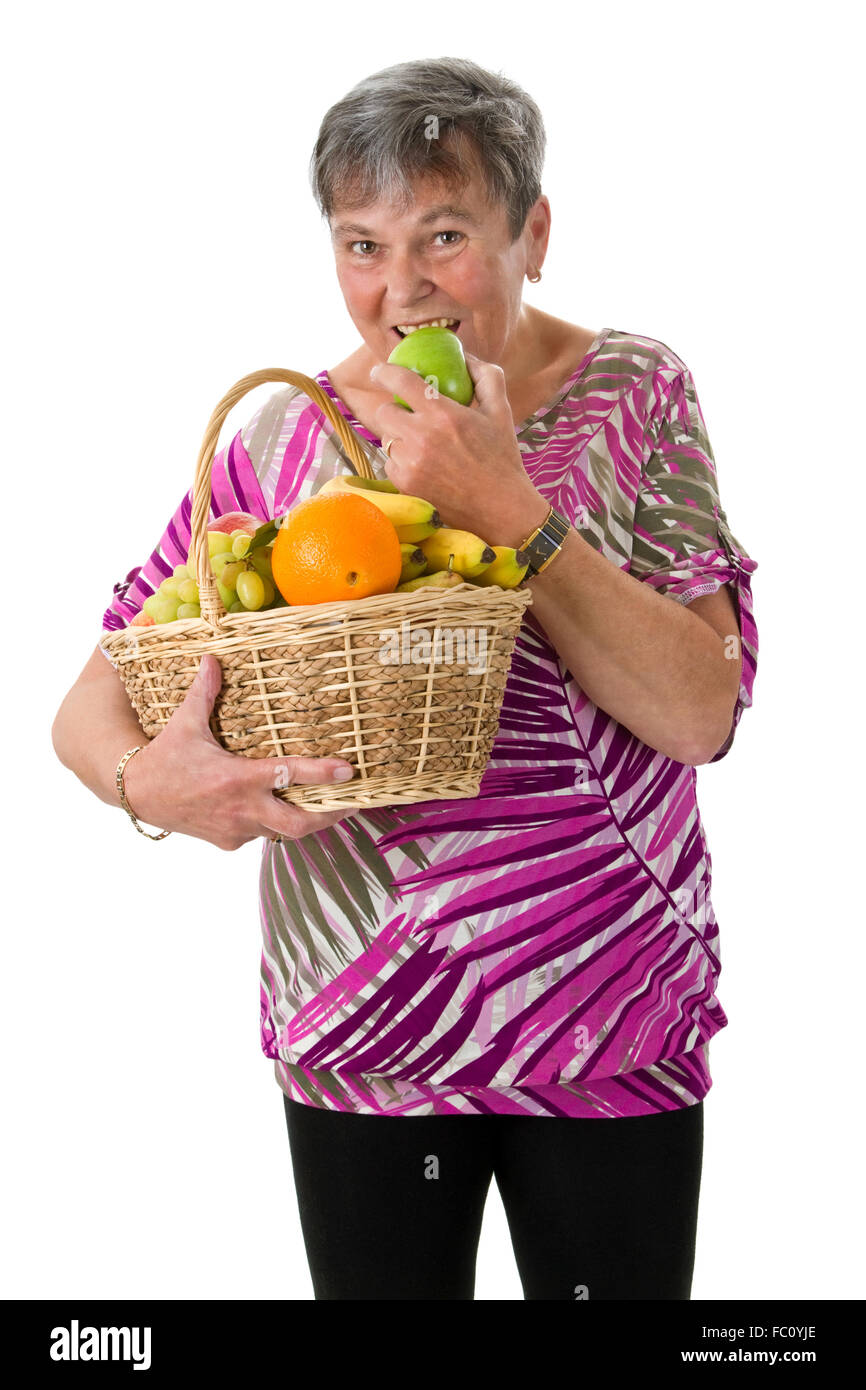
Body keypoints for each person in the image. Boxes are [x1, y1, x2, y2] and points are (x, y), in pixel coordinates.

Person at [52, 56, 759, 1301]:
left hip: (610, 1013)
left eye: (444, 234)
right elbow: (92, 701)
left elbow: (700, 712)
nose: (400, 288)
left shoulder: (633, 394)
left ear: (530, 231)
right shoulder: (281, 432)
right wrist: (152, 782)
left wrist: (510, 508)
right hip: (368, 1025)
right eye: (361, 243)